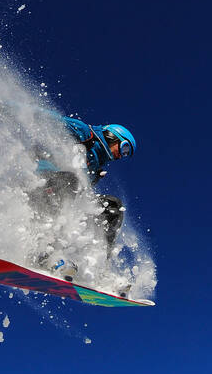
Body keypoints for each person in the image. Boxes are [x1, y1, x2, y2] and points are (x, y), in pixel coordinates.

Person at [29, 112, 136, 263]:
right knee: (71, 180)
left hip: (65, 197)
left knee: (113, 207)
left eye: (125, 155)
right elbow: (39, 115)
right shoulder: (84, 132)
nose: (121, 156)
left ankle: (99, 266)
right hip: (40, 183)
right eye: (124, 149)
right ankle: (42, 251)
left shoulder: (96, 167)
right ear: (112, 136)